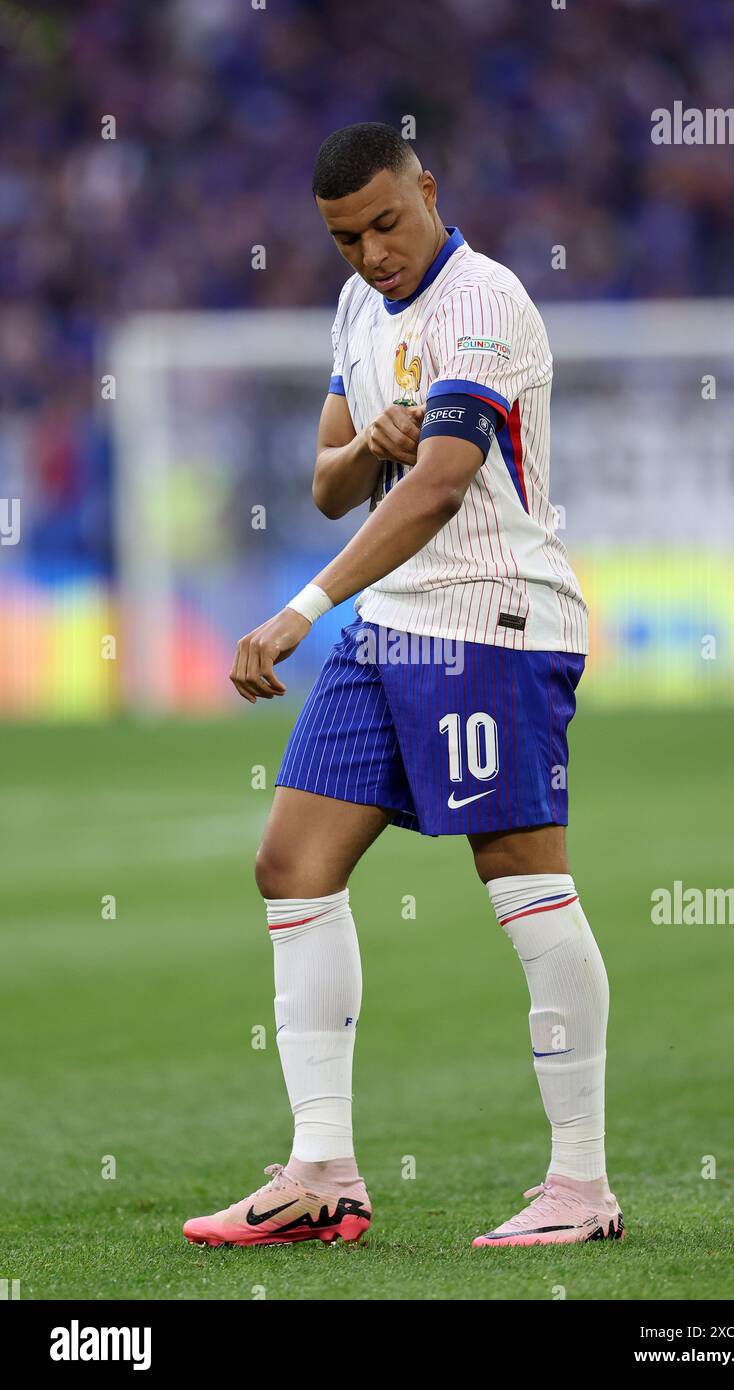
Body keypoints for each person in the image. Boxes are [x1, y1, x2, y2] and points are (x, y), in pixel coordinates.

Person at [183, 122, 623, 1249]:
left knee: (521, 877)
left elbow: (435, 488)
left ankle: (581, 1187)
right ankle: (321, 1170)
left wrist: (298, 608)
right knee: (291, 862)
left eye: (388, 222)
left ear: (428, 191)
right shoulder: (354, 310)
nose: (373, 252)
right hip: (392, 622)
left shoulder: (484, 304)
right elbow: (335, 482)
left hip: (495, 620)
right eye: (346, 238)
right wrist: (366, 445)